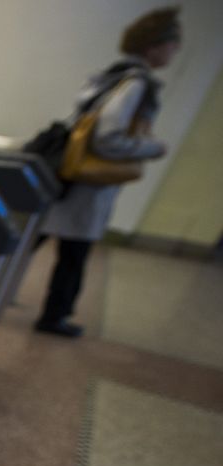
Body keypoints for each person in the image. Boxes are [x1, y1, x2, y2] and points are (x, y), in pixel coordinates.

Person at [35, 7, 181, 337]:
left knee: (40, 241)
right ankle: (54, 315)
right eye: (173, 45)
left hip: (66, 175)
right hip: (88, 183)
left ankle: (1, 296)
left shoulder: (109, 75)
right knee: (73, 254)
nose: (174, 53)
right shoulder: (136, 83)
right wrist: (151, 148)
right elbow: (108, 138)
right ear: (154, 46)